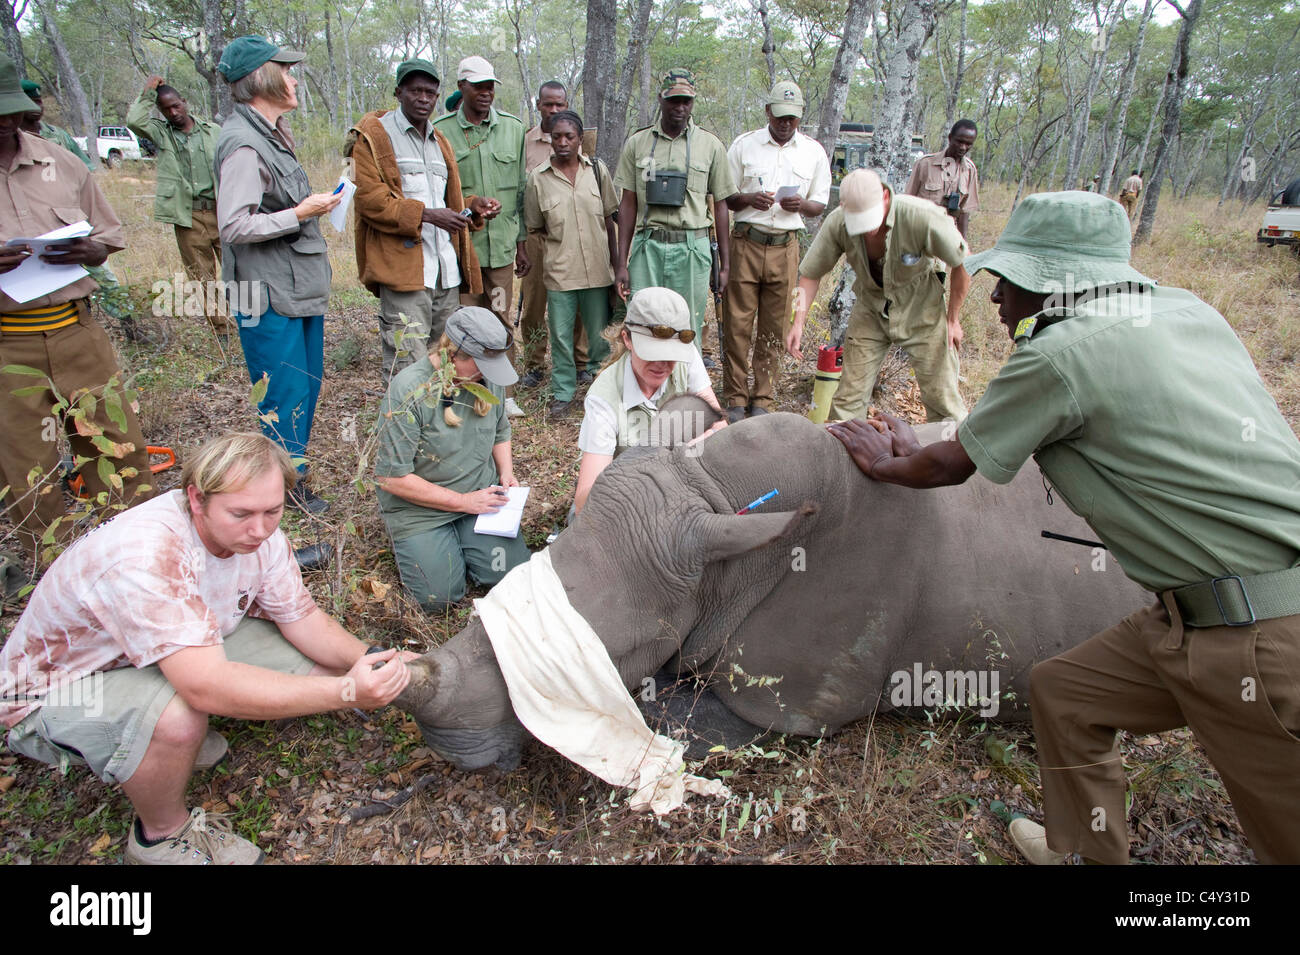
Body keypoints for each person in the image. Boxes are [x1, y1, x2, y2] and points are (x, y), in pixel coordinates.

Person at [827, 190, 1300, 866]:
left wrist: (886, 462)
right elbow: (999, 428)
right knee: (1066, 693)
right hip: (1196, 611)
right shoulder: (1188, 310)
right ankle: (1084, 850)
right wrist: (923, 444)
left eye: (1008, 280)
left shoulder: (1060, 351)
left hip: (1255, 640)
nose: (994, 299)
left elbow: (951, 468)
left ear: (1051, 282)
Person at [0, 431, 414, 865]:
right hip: (54, 692)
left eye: (273, 511)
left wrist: (373, 659)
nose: (260, 530)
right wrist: (347, 692)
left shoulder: (259, 535)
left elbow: (303, 620)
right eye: (241, 514)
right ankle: (159, 837)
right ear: (196, 499)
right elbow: (205, 688)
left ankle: (161, 743)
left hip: (145, 650)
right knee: (180, 719)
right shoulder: (148, 554)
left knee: (312, 667)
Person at [0, 54, 152, 567]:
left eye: (10, 111)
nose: (5, 123)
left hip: (76, 331)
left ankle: (137, 561)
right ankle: (54, 575)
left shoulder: (60, 162)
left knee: (117, 448)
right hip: (6, 344)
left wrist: (93, 250)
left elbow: (108, 233)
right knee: (28, 468)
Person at [214, 35, 340, 515]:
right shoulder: (244, 142)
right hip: (264, 293)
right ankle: (282, 490)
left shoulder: (272, 132)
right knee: (283, 391)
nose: (293, 79)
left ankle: (292, 475)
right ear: (262, 78)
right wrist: (301, 212)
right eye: (285, 71)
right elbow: (235, 224)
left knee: (305, 383)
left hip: (292, 285)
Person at [375, 306, 530, 610]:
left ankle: (464, 543)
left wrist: (506, 472)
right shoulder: (409, 391)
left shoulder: (487, 374)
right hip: (420, 509)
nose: (489, 373)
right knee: (438, 599)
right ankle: (435, 546)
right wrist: (462, 503)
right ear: (453, 354)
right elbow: (391, 478)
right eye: (482, 364)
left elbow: (500, 429)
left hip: (479, 496)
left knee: (511, 574)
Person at [349, 59, 496, 378]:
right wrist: (427, 216)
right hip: (406, 274)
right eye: (415, 91)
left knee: (445, 360)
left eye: (430, 93)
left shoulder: (439, 141)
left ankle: (440, 425)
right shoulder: (374, 137)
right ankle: (404, 426)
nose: (424, 99)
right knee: (408, 366)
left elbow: (447, 202)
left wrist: (472, 206)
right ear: (399, 92)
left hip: (445, 272)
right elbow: (369, 200)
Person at [787, 168, 970, 423]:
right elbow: (809, 275)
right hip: (870, 307)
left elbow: (962, 264)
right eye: (859, 224)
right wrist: (798, 321)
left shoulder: (922, 217)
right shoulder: (838, 222)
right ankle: (845, 458)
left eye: (871, 221)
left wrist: (953, 319)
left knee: (943, 400)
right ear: (843, 207)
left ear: (885, 196)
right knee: (847, 402)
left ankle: (952, 455)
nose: (868, 232)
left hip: (922, 308)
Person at [723, 80, 830, 423]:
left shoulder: (813, 152)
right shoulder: (744, 146)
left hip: (786, 248)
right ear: (768, 111)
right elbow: (725, 196)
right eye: (780, 116)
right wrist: (749, 199)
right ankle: (736, 399)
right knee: (737, 325)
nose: (785, 124)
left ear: (800, 117)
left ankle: (763, 400)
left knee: (775, 328)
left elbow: (820, 204)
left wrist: (801, 205)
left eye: (792, 118)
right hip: (746, 243)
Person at [614, 69, 736, 367]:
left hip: (692, 247)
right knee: (642, 318)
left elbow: (721, 205)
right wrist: (621, 262)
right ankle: (643, 386)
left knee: (687, 322)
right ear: (662, 99)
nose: (680, 107)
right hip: (648, 245)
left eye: (686, 101)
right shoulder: (637, 143)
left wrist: (725, 265)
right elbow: (628, 202)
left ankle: (684, 390)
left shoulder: (710, 145)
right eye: (674, 101)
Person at [431, 56, 530, 418]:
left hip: (502, 247)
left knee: (501, 317)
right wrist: (470, 205)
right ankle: (461, 390)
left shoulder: (512, 129)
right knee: (464, 322)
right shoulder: (441, 130)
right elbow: (438, 192)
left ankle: (504, 394)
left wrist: (520, 244)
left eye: (491, 85)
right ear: (462, 88)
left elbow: (520, 191)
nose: (487, 92)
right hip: (463, 250)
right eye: (479, 86)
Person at [574, 287, 725, 515]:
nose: (662, 364)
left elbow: (719, 426)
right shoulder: (603, 398)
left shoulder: (688, 358)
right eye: (652, 352)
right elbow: (586, 498)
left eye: (671, 354)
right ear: (627, 339)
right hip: (629, 500)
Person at [524, 110, 618, 419]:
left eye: (570, 136)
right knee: (562, 337)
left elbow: (609, 217)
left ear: (580, 140)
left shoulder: (598, 171)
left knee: (600, 336)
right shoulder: (538, 179)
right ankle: (562, 392)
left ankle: (601, 389)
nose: (563, 142)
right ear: (549, 138)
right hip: (560, 272)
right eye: (557, 136)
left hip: (597, 269)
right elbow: (535, 227)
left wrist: (618, 265)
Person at [126, 75, 227, 335]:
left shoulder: (212, 131)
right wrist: (148, 93)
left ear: (185, 102)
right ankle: (222, 330)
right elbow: (134, 121)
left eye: (176, 106)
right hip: (188, 215)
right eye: (166, 109)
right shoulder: (161, 133)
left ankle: (250, 321)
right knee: (202, 278)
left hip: (221, 210)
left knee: (239, 270)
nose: (173, 112)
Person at [518, 81, 590, 389]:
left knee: (575, 301)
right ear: (538, 105)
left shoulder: (579, 141)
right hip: (536, 236)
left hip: (571, 237)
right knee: (534, 302)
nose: (554, 110)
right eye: (548, 104)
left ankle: (580, 362)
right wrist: (520, 243)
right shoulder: (524, 142)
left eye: (560, 104)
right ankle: (534, 363)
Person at [904, 119, 979, 239]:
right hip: (920, 233)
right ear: (950, 138)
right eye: (959, 142)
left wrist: (962, 244)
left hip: (948, 235)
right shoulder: (925, 164)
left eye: (968, 144)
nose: (963, 147)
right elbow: (907, 202)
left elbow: (965, 212)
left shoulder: (969, 170)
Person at [19, 79, 93, 169]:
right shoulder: (9, 138)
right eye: (31, 102)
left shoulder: (59, 135)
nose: (37, 107)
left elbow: (85, 167)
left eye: (39, 101)